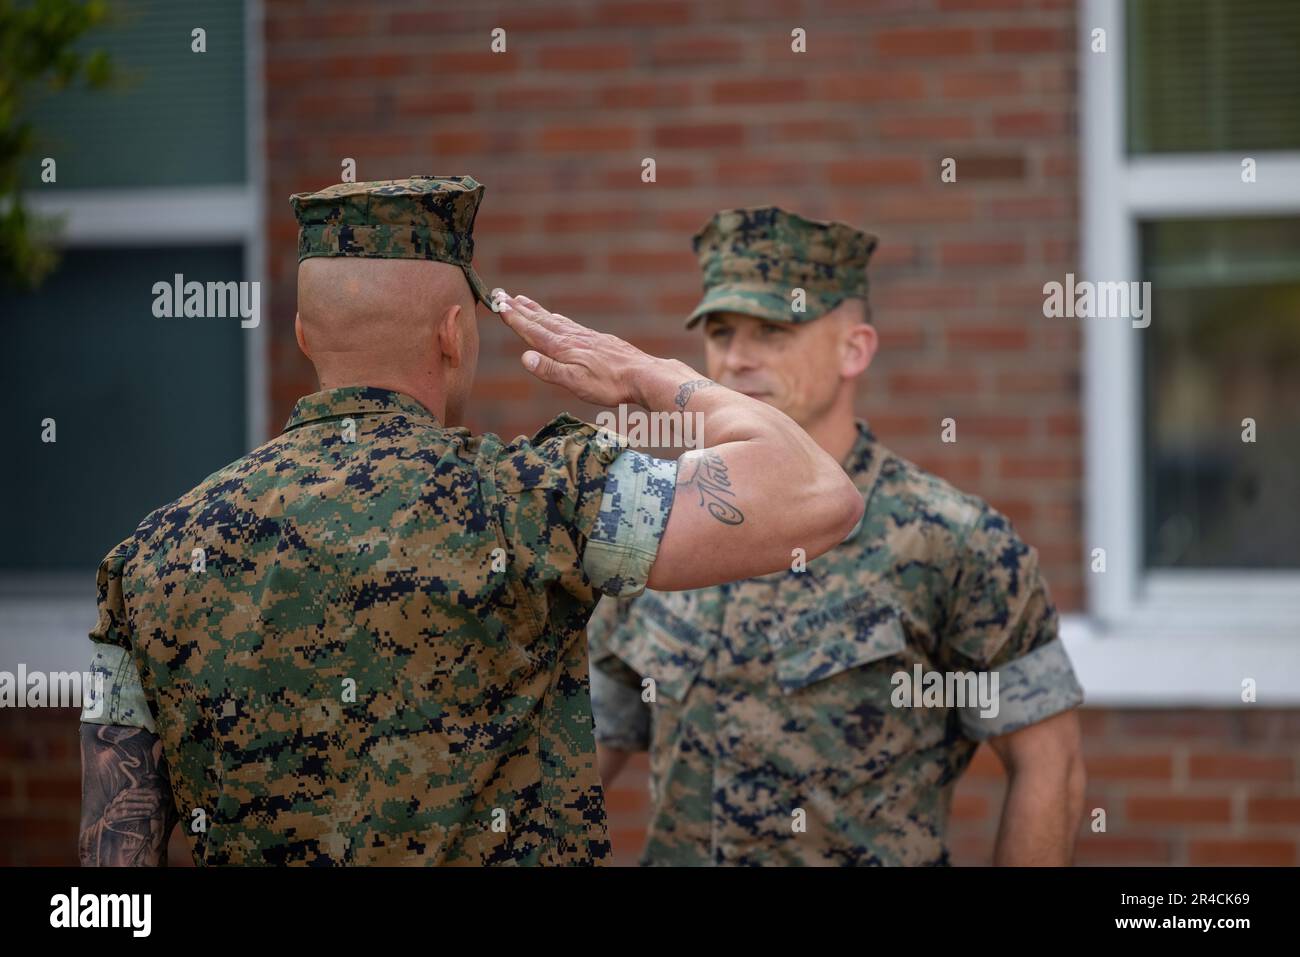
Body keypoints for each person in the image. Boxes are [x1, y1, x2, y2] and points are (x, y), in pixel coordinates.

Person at [76, 179, 862, 866]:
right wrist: (653, 377)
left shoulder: (148, 563)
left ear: (305, 338)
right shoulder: (531, 502)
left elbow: (113, 853)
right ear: (453, 333)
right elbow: (817, 492)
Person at [589, 206, 1087, 866]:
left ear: (855, 349)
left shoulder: (950, 541)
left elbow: (1050, 764)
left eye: (772, 329)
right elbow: (585, 748)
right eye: (721, 330)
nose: (736, 358)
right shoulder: (659, 525)